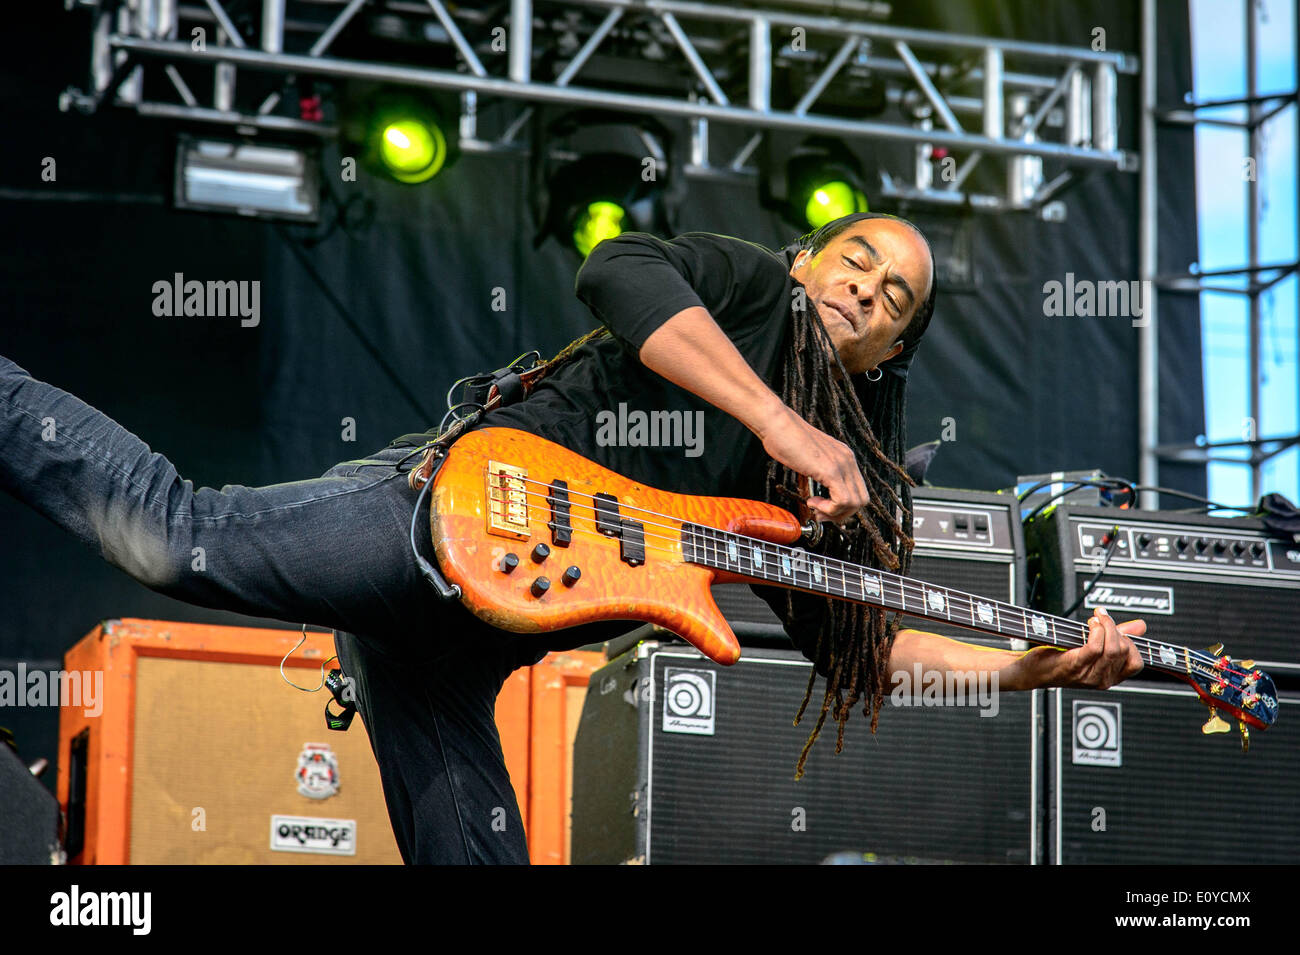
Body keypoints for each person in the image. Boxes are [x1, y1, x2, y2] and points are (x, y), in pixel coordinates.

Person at [0, 211, 1146, 864]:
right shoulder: (752, 292)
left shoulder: (814, 498)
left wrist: (1032, 665)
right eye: (856, 256)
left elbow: (870, 652)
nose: (867, 287)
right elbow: (618, 269)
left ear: (890, 355)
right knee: (171, 535)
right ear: (807, 257)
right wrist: (782, 422)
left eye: (895, 297)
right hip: (436, 519)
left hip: (471, 641)